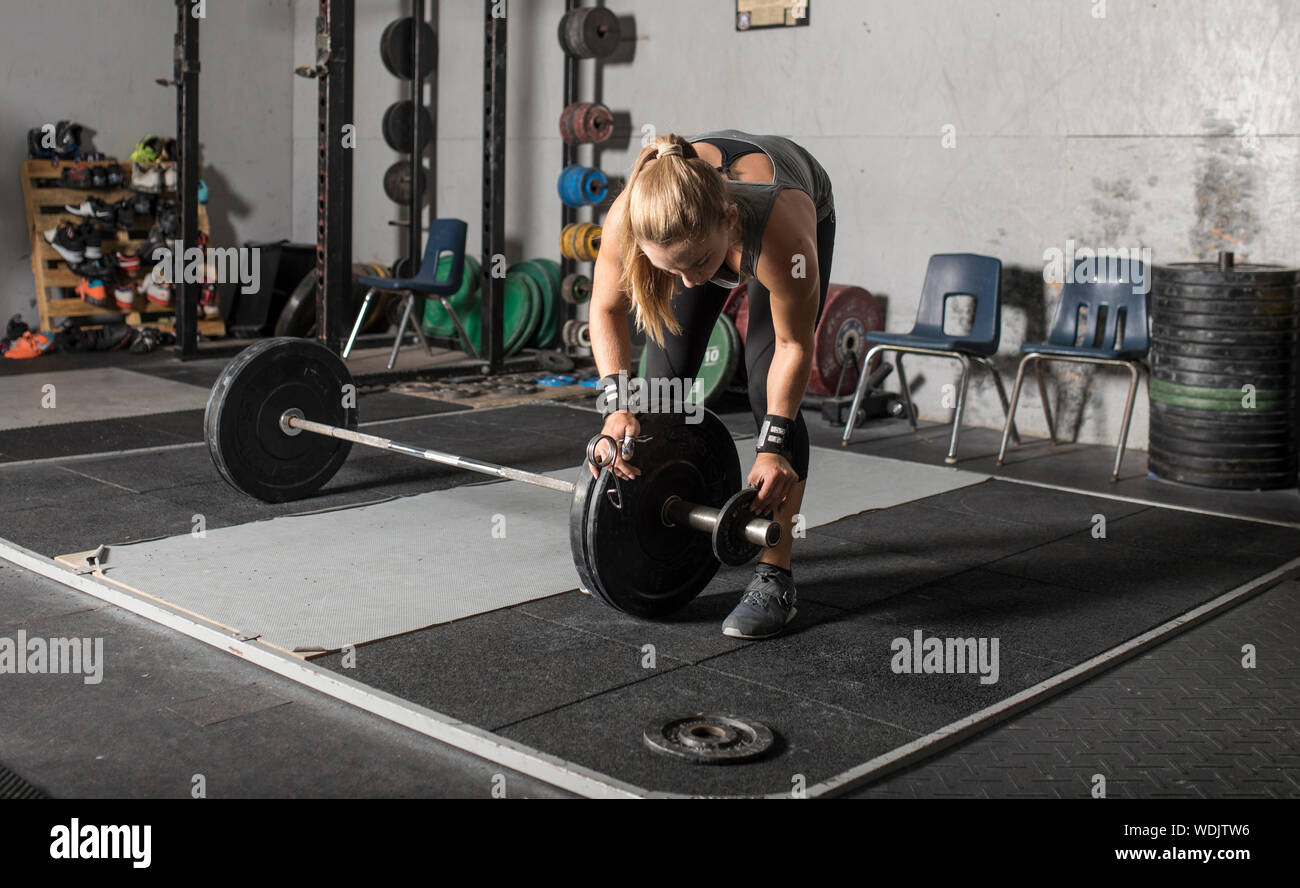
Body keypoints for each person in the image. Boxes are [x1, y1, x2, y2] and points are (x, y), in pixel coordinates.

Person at [586, 129, 836, 639]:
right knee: (660, 390)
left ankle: (775, 576)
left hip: (791, 202)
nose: (694, 281)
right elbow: (606, 307)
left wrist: (773, 445)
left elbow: (794, 347)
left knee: (769, 389)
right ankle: (659, 531)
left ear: (728, 220)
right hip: (698, 220)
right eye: (672, 268)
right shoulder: (630, 218)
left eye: (700, 263)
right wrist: (615, 407)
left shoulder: (781, 233)